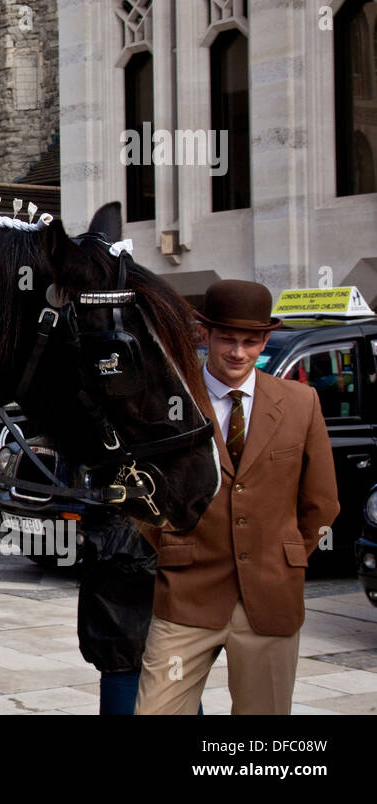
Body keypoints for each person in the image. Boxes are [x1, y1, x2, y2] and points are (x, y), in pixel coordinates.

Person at [134, 280, 340, 714]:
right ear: (203, 333)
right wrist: (174, 547)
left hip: (271, 600)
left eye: (251, 341)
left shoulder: (302, 402)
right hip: (187, 596)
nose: (238, 352)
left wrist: (287, 557)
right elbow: (143, 496)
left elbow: (322, 503)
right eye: (227, 338)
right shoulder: (169, 401)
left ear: (265, 339)